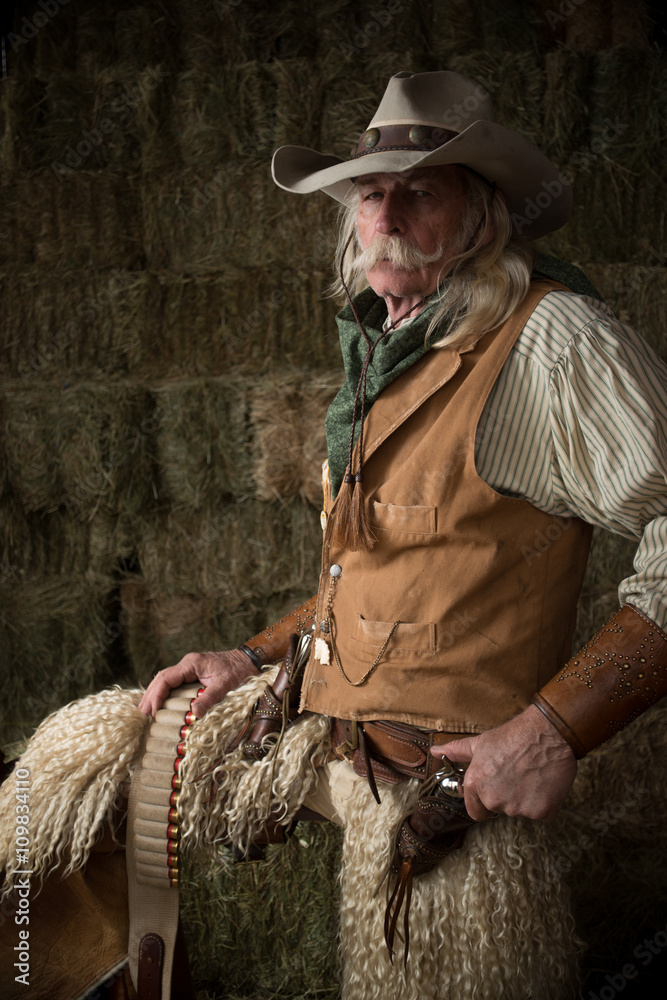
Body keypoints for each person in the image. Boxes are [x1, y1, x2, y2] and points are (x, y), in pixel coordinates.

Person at [137, 70, 667, 995]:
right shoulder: (391, 353)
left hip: (455, 817)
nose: (384, 213)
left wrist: (553, 730)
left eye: (419, 191)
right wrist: (256, 658)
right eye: (370, 192)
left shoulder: (553, 342)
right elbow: (384, 580)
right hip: (360, 786)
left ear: (481, 215)